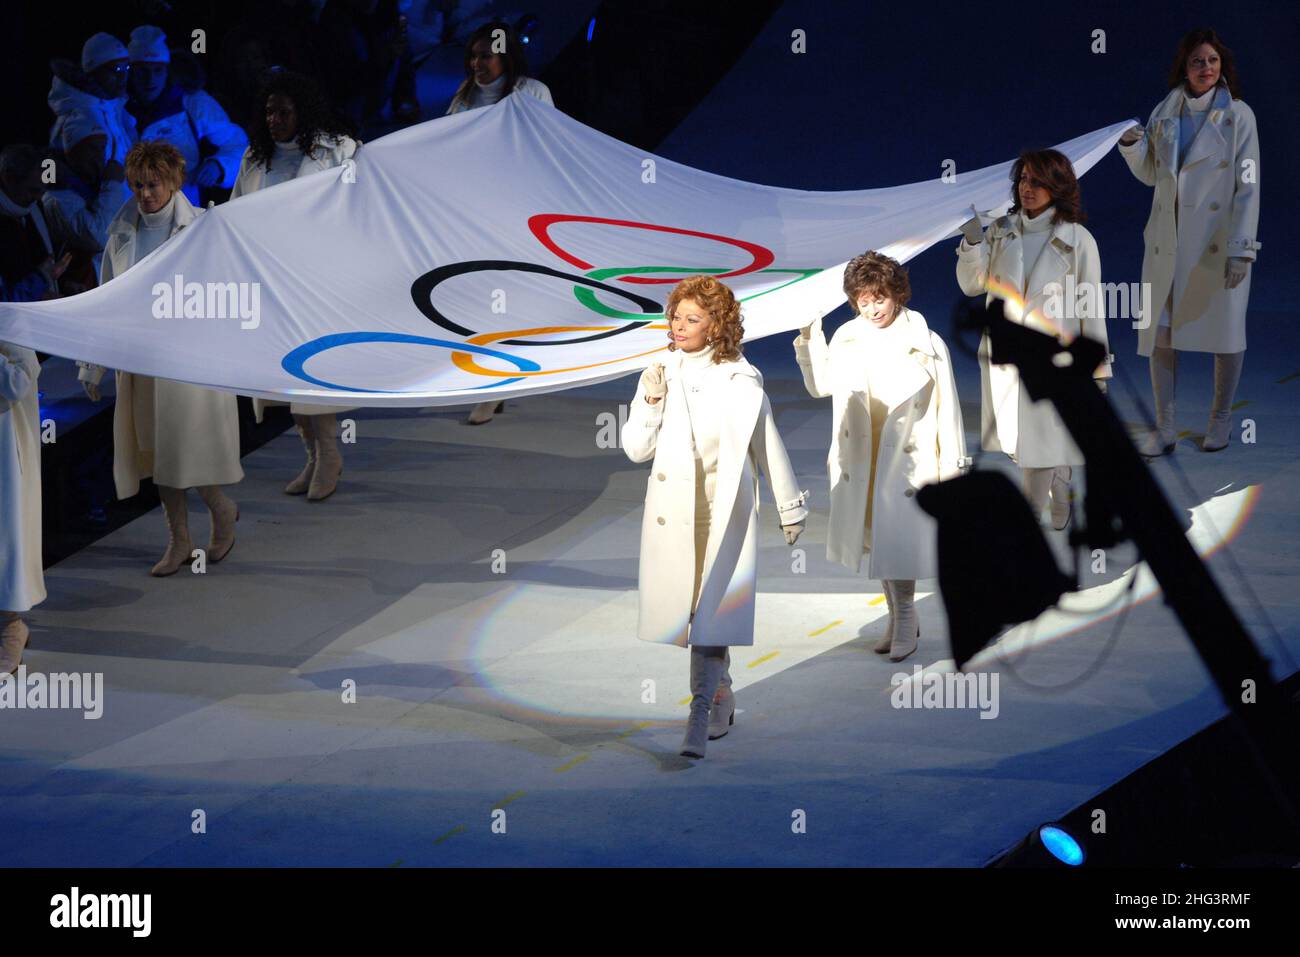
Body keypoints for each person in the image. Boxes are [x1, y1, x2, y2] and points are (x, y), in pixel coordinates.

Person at [622, 275, 809, 759]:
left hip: (722, 510)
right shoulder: (660, 370)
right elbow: (636, 450)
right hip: (674, 511)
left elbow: (766, 443)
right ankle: (721, 691)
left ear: (716, 324)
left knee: (711, 613)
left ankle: (699, 712)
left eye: (692, 318)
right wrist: (650, 401)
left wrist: (790, 508)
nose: (678, 326)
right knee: (691, 617)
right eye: (676, 316)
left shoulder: (741, 378)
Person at [76, 141, 243, 576]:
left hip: (190, 360)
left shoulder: (203, 227)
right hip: (140, 357)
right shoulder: (120, 232)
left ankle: (221, 510)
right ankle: (179, 538)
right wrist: (91, 364)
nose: (145, 194)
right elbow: (105, 299)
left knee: (188, 449)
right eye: (138, 185)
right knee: (156, 452)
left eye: (153, 184)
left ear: (173, 182)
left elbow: (224, 292)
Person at [794, 252, 968, 662]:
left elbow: (949, 408)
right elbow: (820, 385)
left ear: (896, 293)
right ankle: (896, 615)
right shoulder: (848, 336)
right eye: (863, 301)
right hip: (862, 452)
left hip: (912, 453)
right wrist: (808, 337)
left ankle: (906, 615)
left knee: (898, 538)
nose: (871, 309)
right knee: (876, 538)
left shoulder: (926, 341)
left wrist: (954, 467)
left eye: (879, 298)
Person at [1118, 28, 1260, 455]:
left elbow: (1248, 186)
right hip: (1169, 241)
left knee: (1225, 333)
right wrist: (1131, 147)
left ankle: (1221, 419)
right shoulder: (1165, 111)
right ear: (1184, 65)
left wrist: (1242, 248)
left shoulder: (1240, 116)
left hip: (1218, 245)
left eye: (1212, 61)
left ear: (1222, 67)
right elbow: (1152, 176)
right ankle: (1165, 427)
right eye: (1198, 61)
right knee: (1162, 334)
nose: (1206, 69)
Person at [956, 149, 1112, 528]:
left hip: (1055, 359)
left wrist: (1099, 370)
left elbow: (1091, 305)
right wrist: (973, 245)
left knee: (1038, 444)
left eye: (1038, 181)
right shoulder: (1001, 230)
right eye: (1024, 179)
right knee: (1023, 444)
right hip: (1007, 355)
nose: (1028, 188)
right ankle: (1062, 489)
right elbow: (972, 285)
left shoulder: (1079, 240)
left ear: (1057, 187)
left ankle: (1031, 526)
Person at [230, 70, 358, 501]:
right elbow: (235, 216)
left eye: (284, 111)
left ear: (303, 111)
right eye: (269, 111)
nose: (275, 119)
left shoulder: (337, 149)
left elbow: (359, 205)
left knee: (313, 372)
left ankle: (330, 453)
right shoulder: (254, 157)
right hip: (271, 282)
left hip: (318, 280)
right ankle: (311, 454)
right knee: (283, 377)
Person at [447, 20, 553, 425]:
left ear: (505, 57)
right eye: (473, 56)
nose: (477, 63)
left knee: (503, 297)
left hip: (514, 212)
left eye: (485, 56)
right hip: (468, 212)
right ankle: (487, 376)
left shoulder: (532, 93)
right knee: (471, 295)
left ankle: (497, 384)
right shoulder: (463, 95)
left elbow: (547, 149)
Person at [126, 25, 248, 208]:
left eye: (157, 70)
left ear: (167, 71)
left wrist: (220, 166)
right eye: (143, 70)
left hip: (184, 213)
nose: (150, 79)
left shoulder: (192, 103)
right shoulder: (114, 107)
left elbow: (238, 143)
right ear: (131, 71)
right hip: (130, 213)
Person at [0, 324, 45, 673]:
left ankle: (11, 627)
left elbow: (17, 382)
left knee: (6, 541)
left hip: (4, 452)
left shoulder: (10, 321)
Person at [48, 33, 138, 174]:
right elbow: (61, 184)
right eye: (115, 69)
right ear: (94, 72)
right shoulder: (77, 119)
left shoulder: (116, 110)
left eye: (126, 68)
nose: (123, 76)